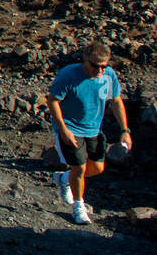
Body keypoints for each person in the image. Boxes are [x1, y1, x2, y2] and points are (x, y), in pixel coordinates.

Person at [47, 40, 133, 225]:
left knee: (97, 168)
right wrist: (63, 129)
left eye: (104, 66)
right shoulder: (68, 75)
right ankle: (79, 207)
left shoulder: (108, 76)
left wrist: (124, 130)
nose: (100, 70)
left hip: (94, 129)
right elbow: (52, 100)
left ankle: (63, 178)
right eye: (95, 66)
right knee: (79, 168)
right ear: (84, 60)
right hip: (71, 128)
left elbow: (116, 101)